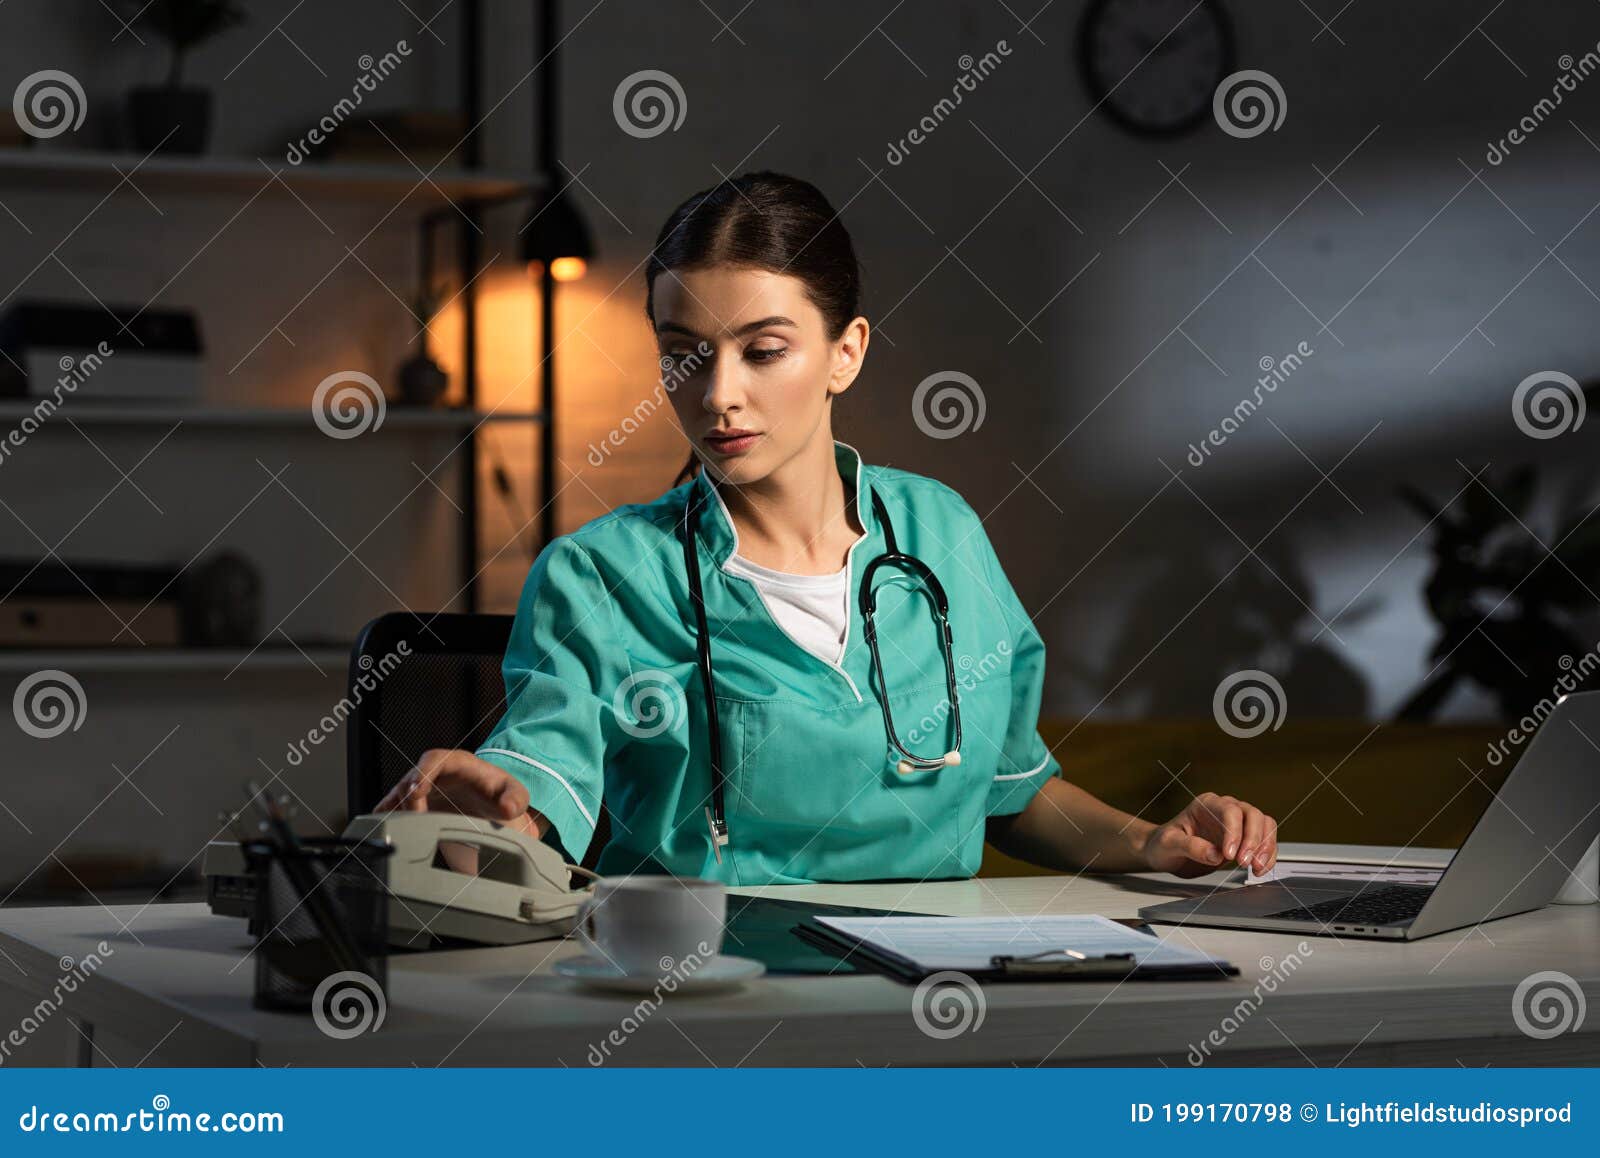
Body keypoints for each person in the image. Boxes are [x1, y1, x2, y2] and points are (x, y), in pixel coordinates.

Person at [376, 171, 1279, 885]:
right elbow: (542, 778)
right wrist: (492, 819)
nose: (718, 393)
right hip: (714, 996)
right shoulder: (600, 576)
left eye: (763, 351)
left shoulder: (941, 531)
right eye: (683, 355)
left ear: (846, 351)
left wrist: (1151, 840)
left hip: (943, 987)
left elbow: (1012, 792)